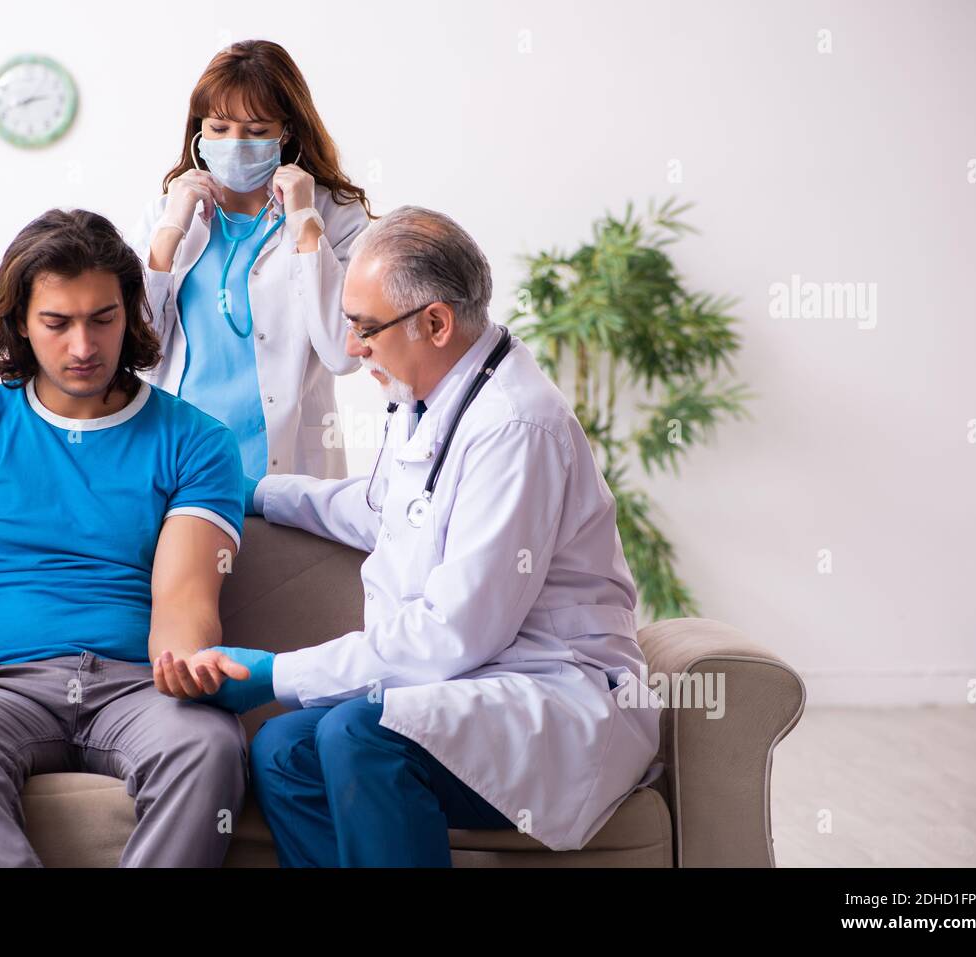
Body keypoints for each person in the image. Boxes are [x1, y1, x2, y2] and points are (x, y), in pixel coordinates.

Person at [153, 206, 665, 867]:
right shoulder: (429, 399)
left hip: (552, 696)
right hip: (476, 688)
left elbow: (455, 634)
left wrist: (278, 672)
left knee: (359, 736)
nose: (354, 347)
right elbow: (386, 512)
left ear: (436, 322)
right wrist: (252, 489)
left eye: (365, 328)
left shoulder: (515, 427)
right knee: (281, 752)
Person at [0, 208, 250, 867]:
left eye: (103, 318)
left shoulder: (199, 442)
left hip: (138, 685)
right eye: (57, 323)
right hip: (3, 683)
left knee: (208, 745)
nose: (83, 346)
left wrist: (183, 663)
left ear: (132, 314)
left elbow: (184, 600)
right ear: (21, 325)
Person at [129, 39, 373, 482]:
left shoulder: (335, 214)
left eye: (257, 130)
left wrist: (304, 222)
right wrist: (168, 234)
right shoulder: (167, 213)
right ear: (198, 131)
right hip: (180, 465)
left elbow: (344, 352)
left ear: (288, 132)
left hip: (289, 473)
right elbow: (137, 352)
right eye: (219, 128)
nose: (235, 143)